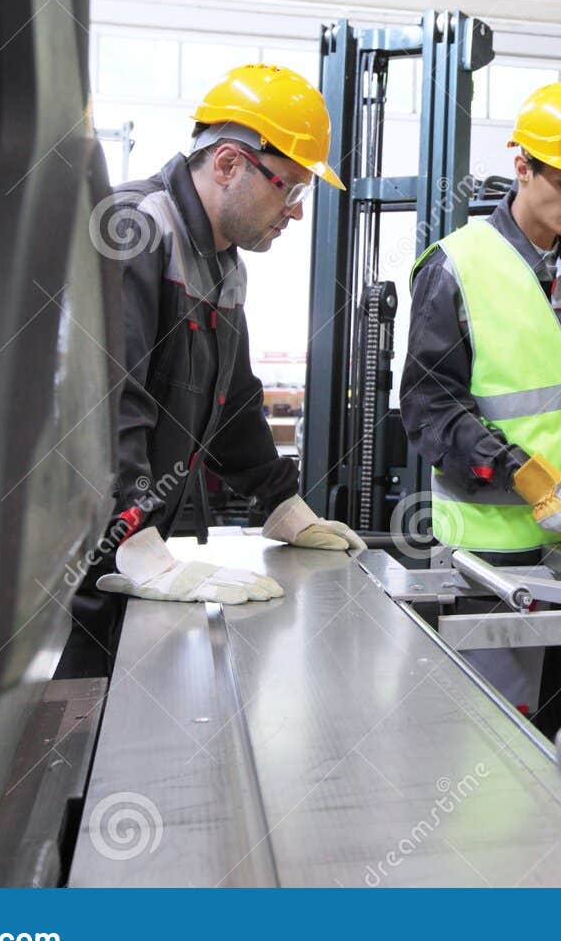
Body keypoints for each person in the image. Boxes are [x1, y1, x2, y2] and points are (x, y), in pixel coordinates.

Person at [60, 64, 363, 679]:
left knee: (125, 695)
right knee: (66, 717)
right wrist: (131, 530)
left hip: (124, 544)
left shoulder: (223, 265)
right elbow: (103, 397)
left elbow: (234, 403)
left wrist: (281, 504)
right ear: (228, 163)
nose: (296, 212)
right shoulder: (135, 227)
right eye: (289, 189)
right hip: (73, 548)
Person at [400, 82, 561, 739]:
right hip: (496, 557)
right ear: (523, 166)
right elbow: (431, 409)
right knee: (496, 757)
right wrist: (530, 477)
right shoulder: (457, 266)